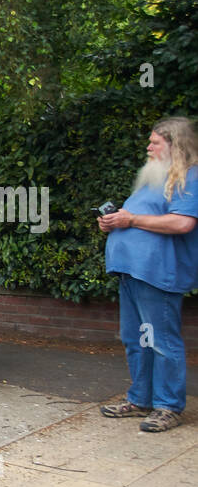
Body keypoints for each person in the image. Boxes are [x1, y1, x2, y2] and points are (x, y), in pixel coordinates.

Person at [98, 116, 198, 433]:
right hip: (131, 272)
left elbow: (183, 223)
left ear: (175, 144)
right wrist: (112, 222)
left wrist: (130, 221)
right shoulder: (153, 180)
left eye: (155, 142)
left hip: (159, 273)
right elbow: (135, 218)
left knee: (162, 341)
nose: (148, 146)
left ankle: (168, 406)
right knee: (137, 339)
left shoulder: (189, 177)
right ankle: (141, 399)